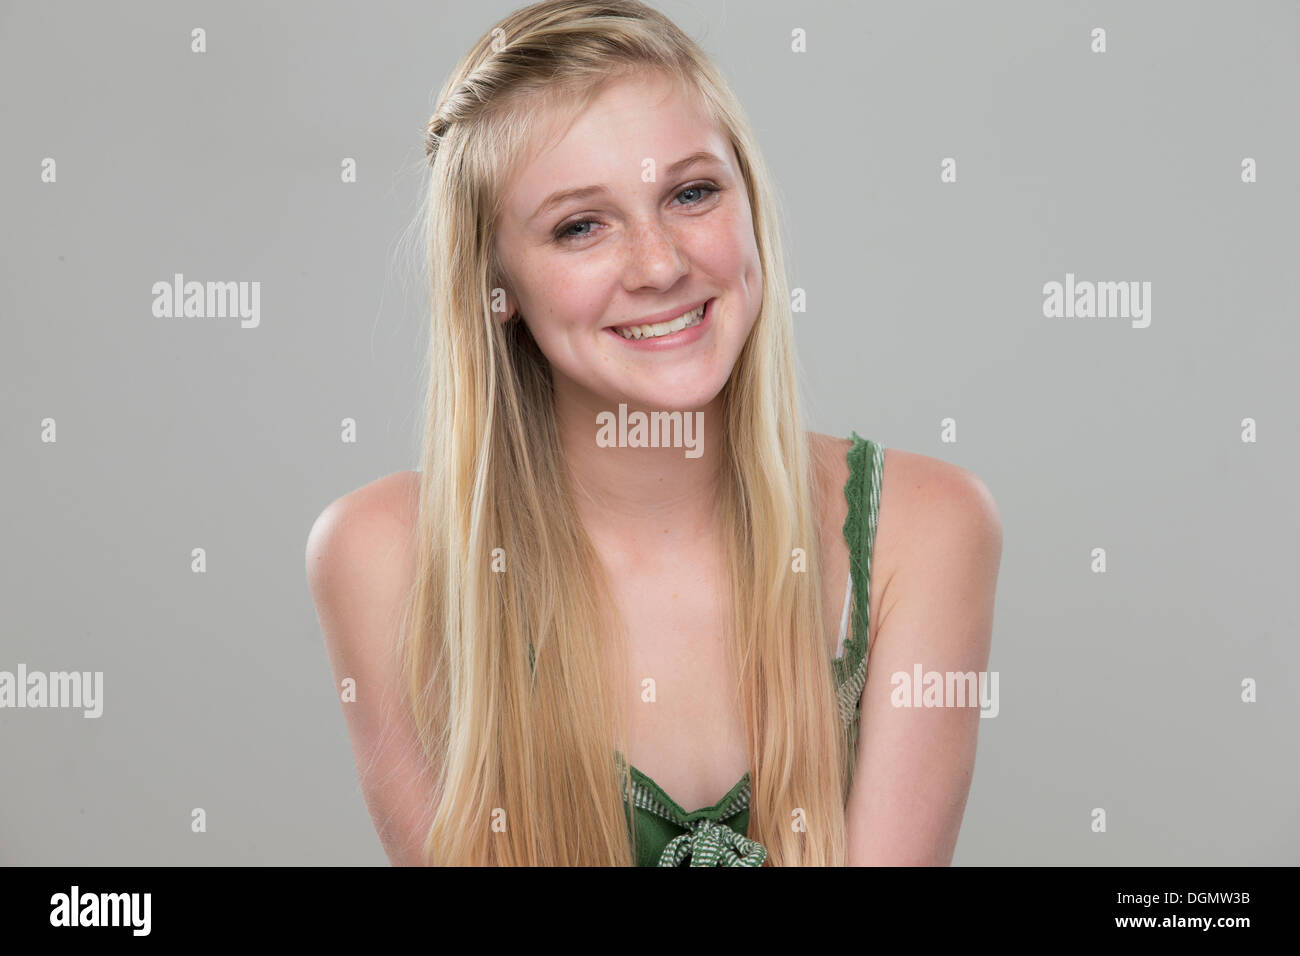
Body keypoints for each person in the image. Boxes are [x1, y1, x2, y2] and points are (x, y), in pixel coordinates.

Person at [305, 0, 1002, 866]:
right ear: (498, 285)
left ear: (750, 202)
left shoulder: (924, 528)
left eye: (691, 192)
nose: (663, 264)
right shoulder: (382, 555)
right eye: (580, 225)